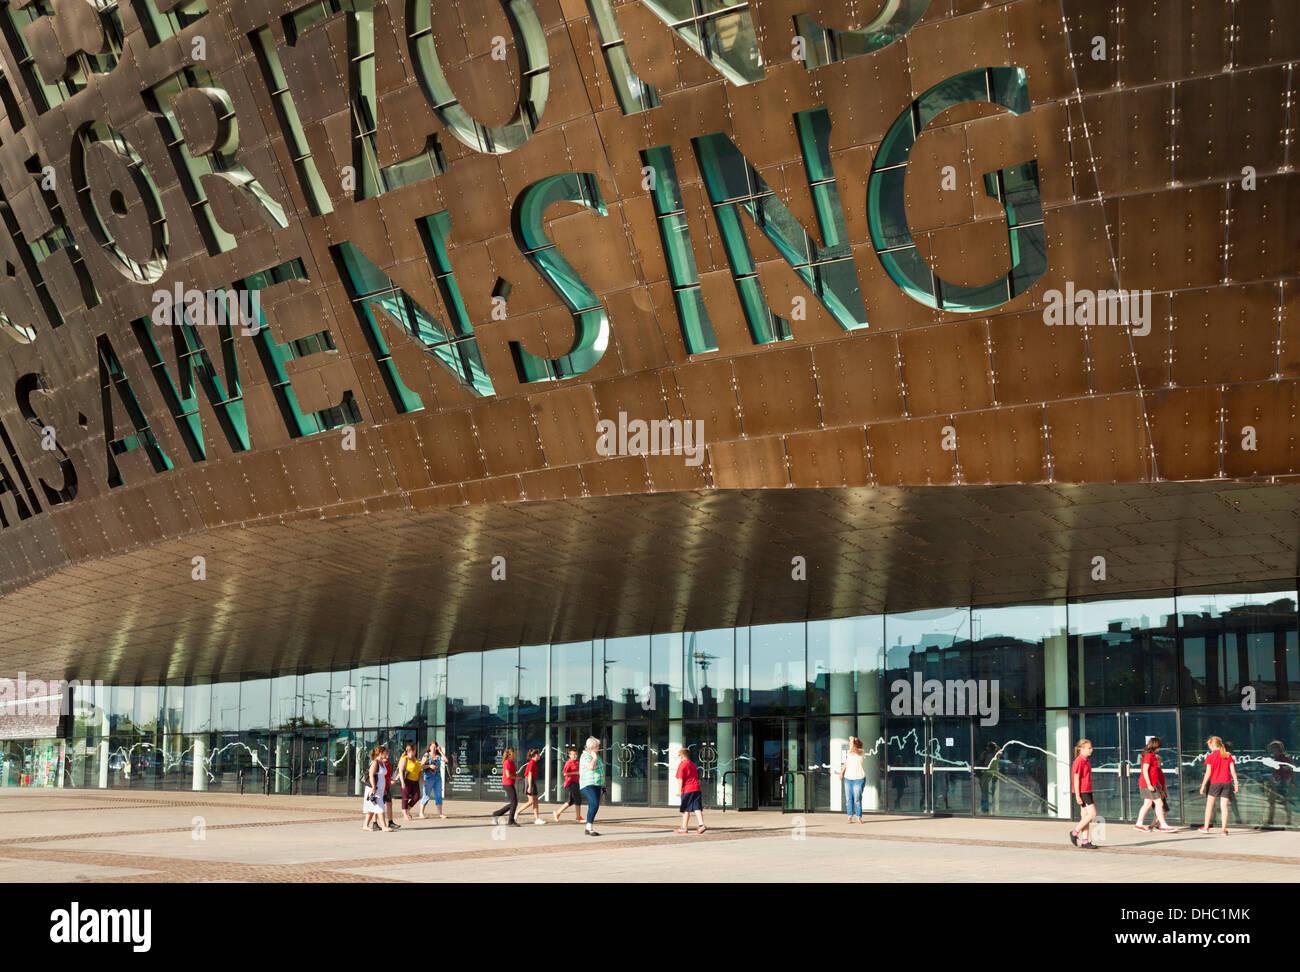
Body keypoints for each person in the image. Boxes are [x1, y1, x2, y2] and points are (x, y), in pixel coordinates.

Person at [1133, 736, 1176, 833]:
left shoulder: (1151, 755)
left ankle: (1139, 824)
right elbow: (1145, 769)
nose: (1159, 748)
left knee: (1147, 804)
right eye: (1159, 746)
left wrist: (1158, 785)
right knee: (1159, 803)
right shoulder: (1149, 756)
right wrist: (1149, 784)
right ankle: (1163, 825)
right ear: (1155, 746)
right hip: (1148, 784)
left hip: (1152, 783)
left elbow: (1153, 772)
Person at [1198, 736, 1238, 835]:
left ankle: (1206, 827)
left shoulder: (1210, 757)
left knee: (1209, 806)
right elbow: (1233, 771)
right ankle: (1223, 830)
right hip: (1227, 783)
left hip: (1215, 784)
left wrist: (1203, 786)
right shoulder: (1228, 755)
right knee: (1224, 807)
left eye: (1209, 745)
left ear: (1212, 745)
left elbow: (1208, 773)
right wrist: (1236, 784)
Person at [1069, 739, 1098, 849]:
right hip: (1083, 791)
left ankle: (1085, 841)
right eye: (1089, 748)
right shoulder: (1079, 761)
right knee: (1093, 814)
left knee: (1085, 816)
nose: (1092, 750)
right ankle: (1074, 832)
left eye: (1091, 748)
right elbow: (1076, 779)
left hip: (1088, 790)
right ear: (1082, 749)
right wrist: (1077, 795)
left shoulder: (1086, 760)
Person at [1262, 740, 1293, 829]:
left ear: (1277, 749)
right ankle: (1271, 819)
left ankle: (1283, 820)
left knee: (1282, 801)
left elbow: (1289, 770)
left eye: (1272, 749)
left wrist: (1291, 782)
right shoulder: (1277, 758)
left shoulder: (1284, 758)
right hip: (1278, 782)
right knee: (1275, 801)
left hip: (1282, 782)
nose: (1271, 751)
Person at [675, 747, 706, 834]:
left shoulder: (682, 765)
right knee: (697, 807)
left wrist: (679, 791)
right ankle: (701, 825)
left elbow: (680, 778)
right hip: (697, 788)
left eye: (679, 755)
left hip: (687, 789)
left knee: (686, 809)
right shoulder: (692, 764)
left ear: (682, 755)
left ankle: (684, 828)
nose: (678, 757)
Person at [361, 746, 392, 833]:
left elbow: (382, 777)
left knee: (372, 809)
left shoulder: (382, 763)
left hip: (380, 790)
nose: (387, 756)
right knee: (380, 807)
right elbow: (371, 775)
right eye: (386, 754)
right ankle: (384, 826)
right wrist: (374, 787)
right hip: (374, 789)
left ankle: (365, 825)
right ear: (381, 754)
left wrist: (385, 788)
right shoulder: (375, 762)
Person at [579, 736, 604, 837]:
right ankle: (589, 827)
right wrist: (594, 758)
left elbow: (601, 770)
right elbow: (591, 767)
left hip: (597, 784)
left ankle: (588, 827)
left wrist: (603, 784)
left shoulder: (597, 756)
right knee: (594, 803)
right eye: (597, 746)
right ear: (591, 747)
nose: (598, 748)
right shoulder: (585, 756)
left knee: (594, 805)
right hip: (588, 784)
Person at [553, 746, 584, 822]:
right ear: (569, 755)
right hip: (570, 783)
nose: (575, 756)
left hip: (576, 783)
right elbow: (565, 773)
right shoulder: (568, 763)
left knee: (571, 801)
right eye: (573, 754)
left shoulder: (577, 762)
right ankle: (578, 817)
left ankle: (557, 812)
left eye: (576, 754)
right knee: (578, 799)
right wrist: (576, 773)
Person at [840, 736, 866, 823]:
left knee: (857, 799)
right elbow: (846, 764)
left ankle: (858, 817)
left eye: (851, 743)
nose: (850, 744)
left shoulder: (861, 752)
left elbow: (854, 749)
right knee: (848, 799)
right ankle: (849, 816)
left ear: (855, 744)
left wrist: (851, 740)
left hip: (858, 779)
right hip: (848, 778)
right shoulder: (850, 753)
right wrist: (841, 773)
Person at [418, 741, 447, 819]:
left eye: (435, 747)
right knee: (426, 795)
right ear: (429, 747)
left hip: (437, 778)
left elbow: (446, 760)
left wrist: (441, 751)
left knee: (438, 795)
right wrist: (429, 766)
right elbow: (421, 766)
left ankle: (440, 813)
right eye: (432, 747)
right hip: (428, 778)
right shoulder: (426, 755)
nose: (433, 748)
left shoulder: (438, 756)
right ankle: (421, 813)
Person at [492, 746, 519, 827]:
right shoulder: (507, 762)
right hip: (507, 784)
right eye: (515, 752)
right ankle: (510, 821)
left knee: (514, 802)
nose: (516, 753)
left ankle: (497, 813)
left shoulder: (511, 762)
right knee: (514, 802)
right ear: (511, 753)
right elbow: (508, 775)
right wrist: (518, 778)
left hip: (510, 783)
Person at [518, 748, 545, 824]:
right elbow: (529, 775)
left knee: (536, 801)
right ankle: (516, 813)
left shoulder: (534, 763)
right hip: (529, 781)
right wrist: (529, 787)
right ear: (536, 755)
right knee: (531, 801)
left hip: (532, 781)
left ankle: (537, 819)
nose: (540, 755)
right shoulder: (532, 763)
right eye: (539, 754)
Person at [397, 743, 421, 821]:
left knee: (417, 796)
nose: (416, 751)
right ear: (411, 750)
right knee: (405, 797)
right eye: (415, 750)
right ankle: (405, 814)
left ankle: (407, 809)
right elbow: (400, 771)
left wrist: (423, 780)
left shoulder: (415, 759)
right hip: (406, 780)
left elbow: (419, 771)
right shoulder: (404, 759)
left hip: (415, 781)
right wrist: (402, 782)